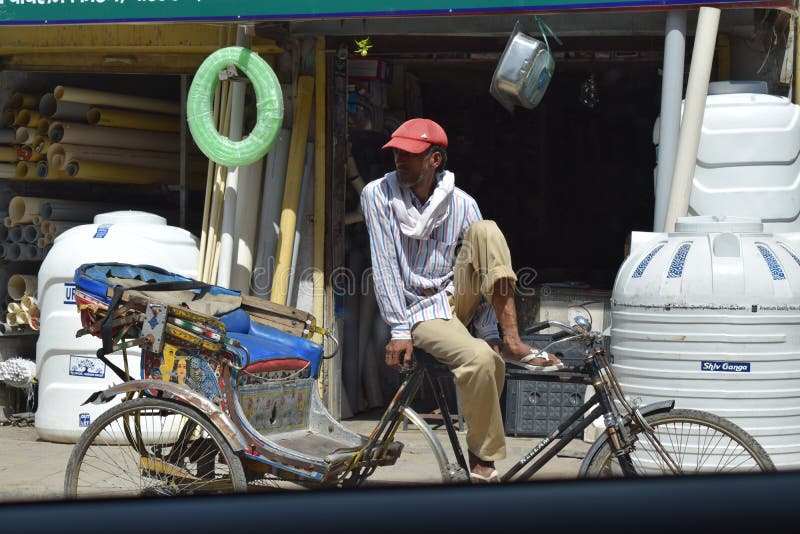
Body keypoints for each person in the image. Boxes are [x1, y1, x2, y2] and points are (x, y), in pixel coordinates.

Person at [360, 118, 563, 483]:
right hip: (416, 309)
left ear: (434, 160)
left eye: (410, 154)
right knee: (484, 361)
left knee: (487, 231)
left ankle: (513, 341)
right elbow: (385, 264)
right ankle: (482, 457)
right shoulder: (378, 194)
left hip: (456, 297)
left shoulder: (461, 202)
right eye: (397, 153)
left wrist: (490, 332)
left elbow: (485, 268)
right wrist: (399, 329)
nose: (399, 160)